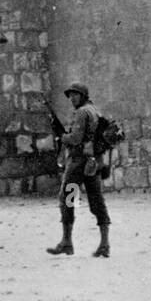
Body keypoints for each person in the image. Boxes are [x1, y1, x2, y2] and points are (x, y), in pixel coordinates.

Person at [47, 82, 111, 258]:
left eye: (75, 95)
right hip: (93, 162)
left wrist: (62, 136)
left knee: (68, 197)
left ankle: (67, 242)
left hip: (78, 162)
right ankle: (104, 244)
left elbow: (75, 138)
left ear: (83, 96)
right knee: (96, 199)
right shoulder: (93, 109)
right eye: (71, 95)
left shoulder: (82, 112)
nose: (72, 98)